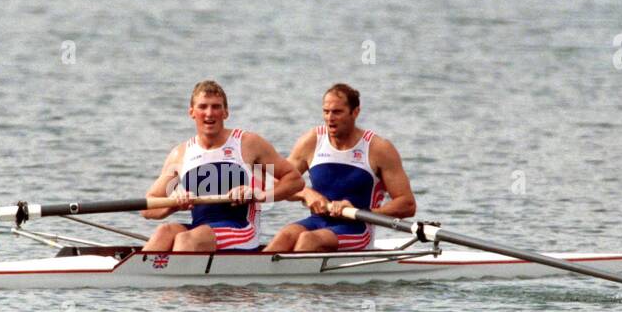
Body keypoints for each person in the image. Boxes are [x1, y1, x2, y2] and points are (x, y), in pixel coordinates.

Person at [142, 80, 303, 252]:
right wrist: (173, 204)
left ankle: (169, 275)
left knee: (185, 239)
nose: (209, 113)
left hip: (242, 229)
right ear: (191, 112)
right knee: (164, 231)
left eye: (216, 107)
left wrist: (260, 195)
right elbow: (147, 208)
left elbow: (295, 180)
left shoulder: (248, 143)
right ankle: (139, 276)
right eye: (203, 107)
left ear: (225, 113)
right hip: (200, 230)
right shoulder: (180, 153)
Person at [263, 83, 416, 252]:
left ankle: (294, 277)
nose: (330, 118)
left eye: (337, 112)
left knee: (308, 240)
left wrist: (361, 211)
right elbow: (274, 182)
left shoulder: (379, 148)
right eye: (326, 112)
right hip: (318, 221)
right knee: (284, 236)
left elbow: (407, 204)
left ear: (355, 112)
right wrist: (306, 193)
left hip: (357, 228)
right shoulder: (312, 141)